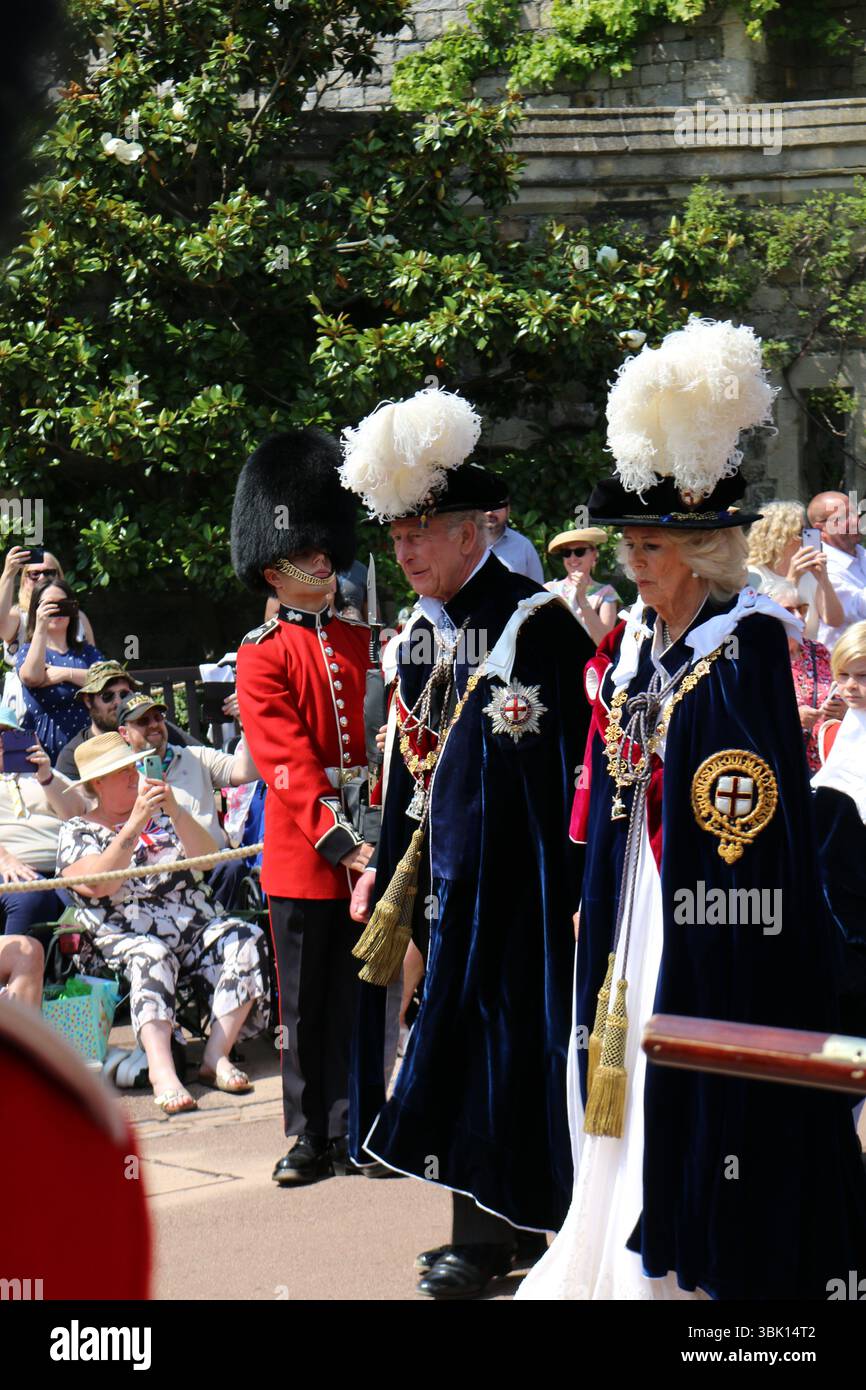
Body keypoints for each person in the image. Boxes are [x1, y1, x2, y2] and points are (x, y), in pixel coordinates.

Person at [517, 318, 866, 1301]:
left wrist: (706, 914)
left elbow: (744, 812)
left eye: (651, 546)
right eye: (630, 543)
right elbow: (616, 777)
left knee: (692, 1081)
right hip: (636, 902)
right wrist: (600, 887)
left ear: (706, 551)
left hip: (712, 918)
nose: (635, 563)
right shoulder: (638, 643)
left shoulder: (746, 642)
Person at [339, 385, 594, 1298]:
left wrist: (576, 891)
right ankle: (494, 1221)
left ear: (469, 531)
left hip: (528, 890)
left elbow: (579, 771)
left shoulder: (542, 624)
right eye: (396, 536)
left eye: (423, 532)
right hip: (445, 891)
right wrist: (380, 867)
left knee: (511, 1053)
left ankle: (502, 1235)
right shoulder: (414, 638)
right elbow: (409, 766)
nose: (406, 551)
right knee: (453, 1051)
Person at [232, 429, 374, 1186]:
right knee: (304, 1008)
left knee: (361, 1000)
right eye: (306, 554)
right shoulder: (262, 652)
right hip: (307, 852)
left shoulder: (361, 639)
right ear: (273, 568)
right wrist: (348, 845)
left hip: (373, 841)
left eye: (326, 549)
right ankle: (306, 1134)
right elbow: (286, 763)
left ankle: (356, 1131)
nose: (323, 562)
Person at [57, 733, 269, 1115]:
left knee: (244, 936)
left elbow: (207, 861)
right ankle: (161, 1071)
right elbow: (98, 883)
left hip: (192, 926)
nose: (132, 776)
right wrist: (134, 825)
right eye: (120, 771)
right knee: (152, 955)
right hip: (128, 936)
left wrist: (176, 811)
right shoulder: (78, 830)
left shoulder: (163, 815)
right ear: (96, 784)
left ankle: (215, 1056)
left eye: (132, 767)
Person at [116, 691, 259, 911]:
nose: (154, 725)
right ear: (124, 733)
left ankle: (221, 930)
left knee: (232, 865)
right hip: (154, 879)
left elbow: (248, 771)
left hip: (209, 867)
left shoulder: (197, 757)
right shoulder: (118, 777)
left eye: (158, 717)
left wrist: (246, 723)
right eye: (143, 721)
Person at [812, 621, 866, 1040]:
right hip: (839, 906)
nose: (849, 687)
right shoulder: (841, 732)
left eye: (862, 676)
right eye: (843, 674)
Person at [0, 705, 86, 937]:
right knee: (31, 896)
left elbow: (78, 816)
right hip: (11, 867)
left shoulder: (44, 772)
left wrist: (46, 776)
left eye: (7, 733)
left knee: (88, 900)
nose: (0, 740)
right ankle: (13, 970)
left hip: (63, 867)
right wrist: (4, 859)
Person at [55, 661, 198, 780]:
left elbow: (200, 757)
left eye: (124, 695)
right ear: (88, 701)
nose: (118, 702)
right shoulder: (74, 754)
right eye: (107, 696)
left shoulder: (152, 729)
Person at [0, 547, 96, 719]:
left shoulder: (78, 617)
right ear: (24, 581)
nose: (42, 578)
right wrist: (8, 573)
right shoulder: (19, 616)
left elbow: (95, 667)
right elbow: (1, 626)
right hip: (25, 711)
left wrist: (64, 673)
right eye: (34, 574)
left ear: (59, 577)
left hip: (77, 708)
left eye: (49, 573)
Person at [16, 577, 103, 763]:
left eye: (63, 604)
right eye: (49, 605)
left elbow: (106, 679)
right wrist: (40, 626)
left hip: (88, 747)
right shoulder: (27, 652)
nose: (57, 611)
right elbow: (31, 677)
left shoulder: (86, 652)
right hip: (39, 749)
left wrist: (64, 673)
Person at [746, 499, 844, 639]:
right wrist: (792, 579)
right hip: (771, 656)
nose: (805, 538)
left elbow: (835, 621)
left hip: (805, 657)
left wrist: (823, 580)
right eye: (800, 532)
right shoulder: (752, 575)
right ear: (779, 536)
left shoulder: (809, 573)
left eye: (807, 531)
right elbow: (767, 625)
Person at [774, 585, 847, 772]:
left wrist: (842, 709)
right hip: (784, 764)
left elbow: (843, 690)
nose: (799, 616)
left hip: (826, 763)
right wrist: (793, 717)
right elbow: (752, 711)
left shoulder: (819, 651)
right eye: (789, 611)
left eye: (802, 609)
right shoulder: (761, 658)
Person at [807, 491, 866, 649]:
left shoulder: (862, 555)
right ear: (821, 529)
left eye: (855, 514)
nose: (855, 521)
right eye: (843, 517)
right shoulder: (818, 567)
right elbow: (857, 610)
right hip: (844, 670)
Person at [545, 525, 620, 644]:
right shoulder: (549, 589)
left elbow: (603, 641)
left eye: (579, 552)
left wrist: (581, 598)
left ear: (594, 555)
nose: (573, 558)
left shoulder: (606, 592)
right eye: (567, 553)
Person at [483, 494, 544, 583]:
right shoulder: (461, 545)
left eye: (496, 507)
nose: (489, 512)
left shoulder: (524, 547)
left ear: (508, 511)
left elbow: (539, 593)